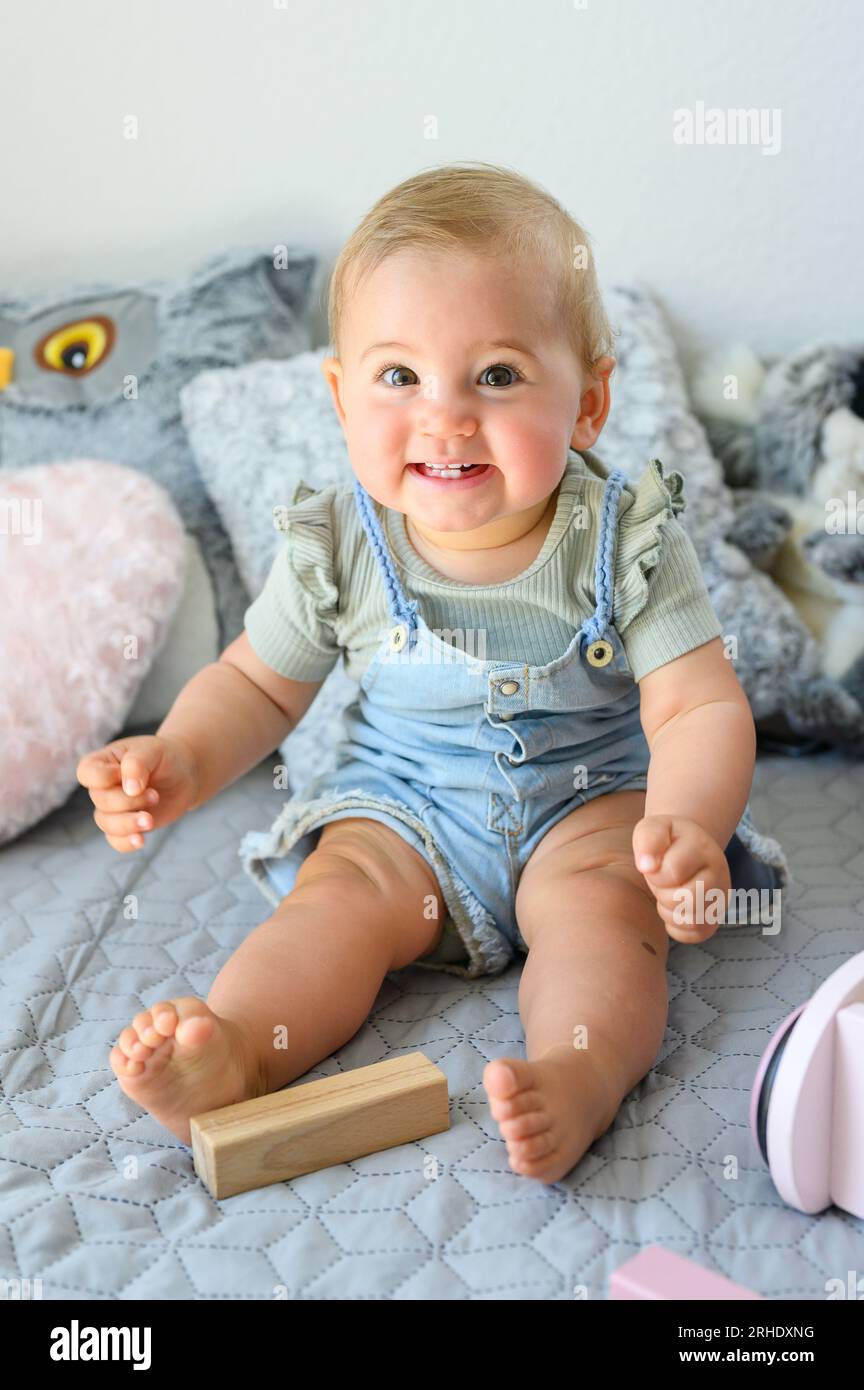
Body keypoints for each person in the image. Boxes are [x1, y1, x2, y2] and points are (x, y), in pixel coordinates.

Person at [77, 162, 787, 1184]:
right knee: (333, 904)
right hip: (401, 813)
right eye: (399, 377)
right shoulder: (341, 541)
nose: (444, 416)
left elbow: (697, 703)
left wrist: (684, 822)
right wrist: (180, 754)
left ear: (588, 400)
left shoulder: (624, 533)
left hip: (586, 812)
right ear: (340, 395)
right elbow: (257, 684)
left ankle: (573, 1076)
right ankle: (234, 1046)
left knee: (607, 925)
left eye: (496, 376)